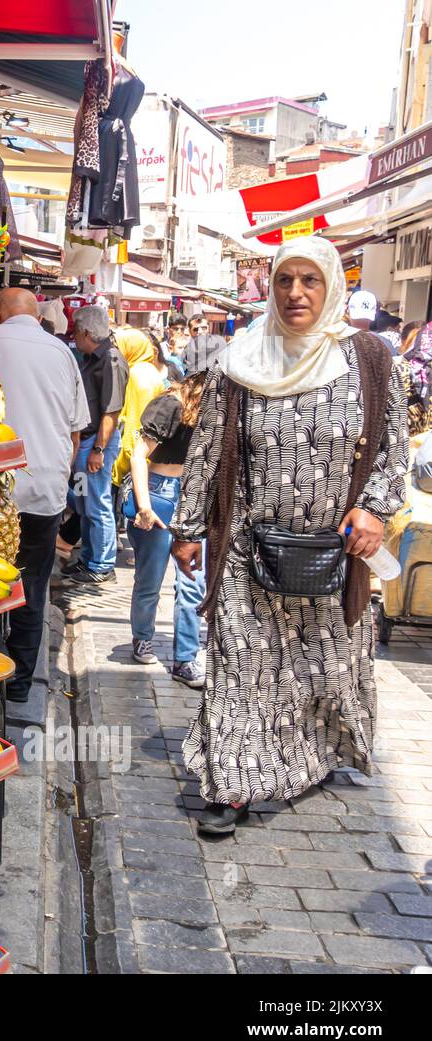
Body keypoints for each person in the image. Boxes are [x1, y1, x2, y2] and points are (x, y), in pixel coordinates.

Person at [170, 236, 408, 836]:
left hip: (334, 552)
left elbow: (391, 449)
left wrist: (375, 510)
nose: (296, 293)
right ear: (270, 287)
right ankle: (232, 786)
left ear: (332, 288)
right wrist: (190, 528)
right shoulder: (241, 360)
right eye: (284, 281)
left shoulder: (371, 361)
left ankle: (313, 757)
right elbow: (205, 453)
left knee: (321, 668)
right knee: (241, 668)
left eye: (310, 281)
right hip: (251, 547)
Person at [0, 288, 90, 702]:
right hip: (45, 488)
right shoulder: (61, 352)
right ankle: (21, 684)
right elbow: (76, 428)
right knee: (33, 582)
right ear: (38, 316)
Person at [125, 339, 214, 687]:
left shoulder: (213, 410)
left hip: (191, 494)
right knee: (151, 577)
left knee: (192, 582)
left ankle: (185, 659)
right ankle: (142, 635)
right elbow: (138, 454)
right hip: (160, 492)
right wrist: (144, 505)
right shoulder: (169, 405)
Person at [65, 304, 129, 585]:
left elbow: (111, 411)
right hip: (86, 444)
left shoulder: (111, 359)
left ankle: (101, 564)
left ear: (87, 332)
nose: (74, 336)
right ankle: (89, 559)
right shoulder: (92, 358)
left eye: (76, 331)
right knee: (83, 503)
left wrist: (98, 450)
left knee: (97, 504)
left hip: (96, 444)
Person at [111, 327, 169, 486]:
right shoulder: (145, 371)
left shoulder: (139, 376)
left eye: (118, 347)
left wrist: (124, 465)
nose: (115, 352)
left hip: (133, 468)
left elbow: (136, 426)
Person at [346, 290, 398, 356]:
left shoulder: (339, 342)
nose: (362, 321)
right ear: (375, 313)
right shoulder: (384, 343)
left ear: (348, 310)